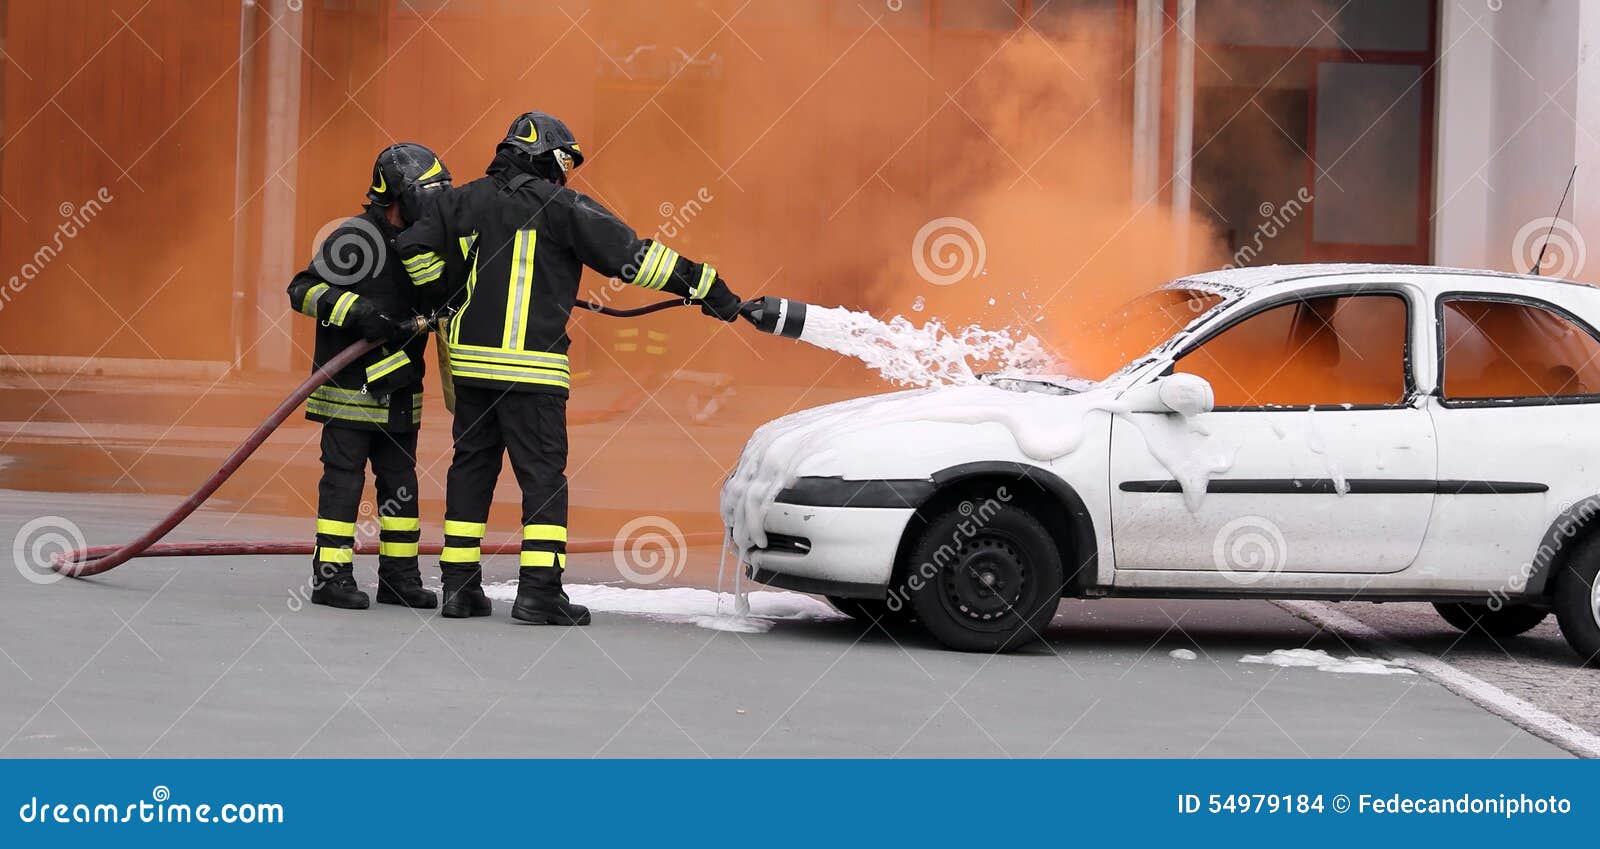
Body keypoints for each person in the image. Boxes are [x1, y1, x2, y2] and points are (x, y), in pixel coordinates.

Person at [397, 111, 742, 625]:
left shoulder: (462, 200)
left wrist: (445, 294)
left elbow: (412, 246)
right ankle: (539, 593)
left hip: (471, 369)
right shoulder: (562, 207)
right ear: (546, 156)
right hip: (532, 371)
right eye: (565, 162)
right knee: (543, 481)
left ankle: (458, 588)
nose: (567, 173)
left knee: (471, 471)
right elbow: (635, 258)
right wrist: (705, 284)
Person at [286, 142, 453, 610]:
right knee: (344, 483)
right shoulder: (359, 237)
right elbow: (302, 290)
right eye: (430, 192)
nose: (437, 202)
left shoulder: (424, 242)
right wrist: (359, 311)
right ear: (401, 194)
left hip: (400, 386)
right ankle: (331, 579)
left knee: (401, 485)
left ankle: (399, 579)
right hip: (350, 389)